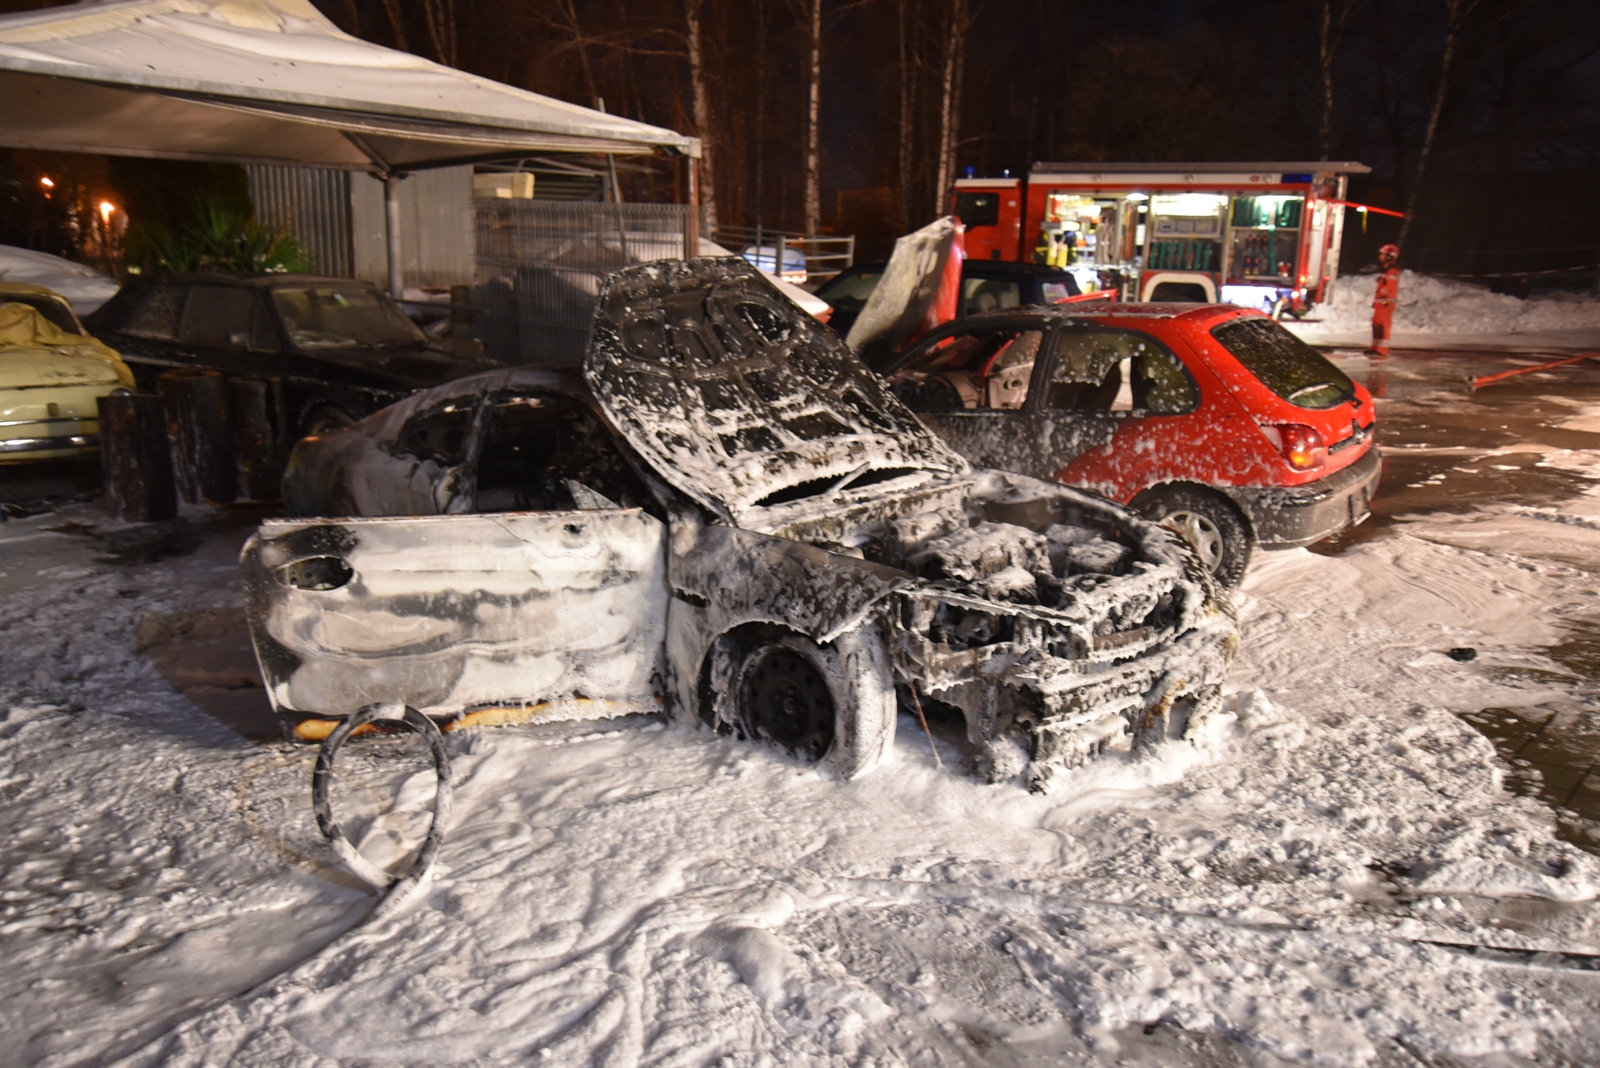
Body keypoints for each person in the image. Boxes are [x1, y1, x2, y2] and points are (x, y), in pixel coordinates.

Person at [1369, 243, 1401, 356]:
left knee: (1383, 326)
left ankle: (1382, 350)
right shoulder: (1386, 269)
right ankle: (1375, 347)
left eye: (1382, 254)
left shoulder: (1392, 270)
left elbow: (1390, 286)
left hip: (1385, 303)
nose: (1380, 256)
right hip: (1380, 303)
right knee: (1376, 325)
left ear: (1389, 256)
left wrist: (1381, 294)